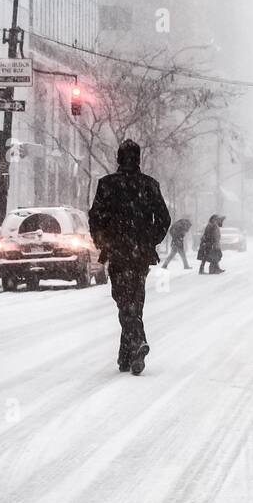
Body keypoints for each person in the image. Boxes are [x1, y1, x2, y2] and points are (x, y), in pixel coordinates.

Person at [88, 139, 171, 376]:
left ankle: (135, 344)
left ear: (118, 158)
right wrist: (149, 240)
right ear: (138, 158)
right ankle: (128, 354)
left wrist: (103, 241)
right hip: (140, 255)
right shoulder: (149, 185)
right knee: (135, 301)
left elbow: (95, 217)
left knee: (124, 301)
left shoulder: (107, 184)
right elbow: (164, 219)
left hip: (117, 252)